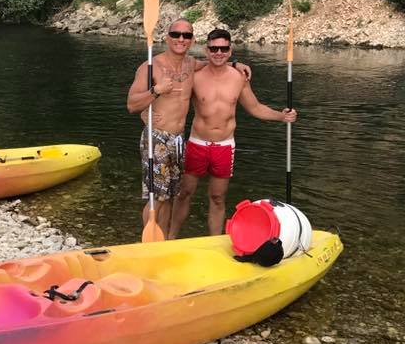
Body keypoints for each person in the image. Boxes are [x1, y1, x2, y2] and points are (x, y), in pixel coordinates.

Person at [168, 28, 296, 239]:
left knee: (217, 197)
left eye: (223, 49)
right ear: (206, 50)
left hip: (225, 147)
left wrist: (281, 116)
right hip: (197, 143)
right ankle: (170, 239)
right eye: (214, 48)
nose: (218, 53)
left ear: (230, 50)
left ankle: (215, 242)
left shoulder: (239, 78)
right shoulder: (195, 76)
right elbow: (175, 99)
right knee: (184, 193)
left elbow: (255, 108)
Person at [127, 19, 250, 237]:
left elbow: (216, 61)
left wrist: (235, 64)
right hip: (157, 137)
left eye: (186, 35)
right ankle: (147, 244)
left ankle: (162, 241)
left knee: (171, 196)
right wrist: (156, 90)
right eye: (176, 34)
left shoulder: (191, 64)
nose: (181, 39)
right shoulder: (150, 66)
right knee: (157, 197)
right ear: (167, 37)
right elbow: (132, 104)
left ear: (192, 40)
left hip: (178, 140)